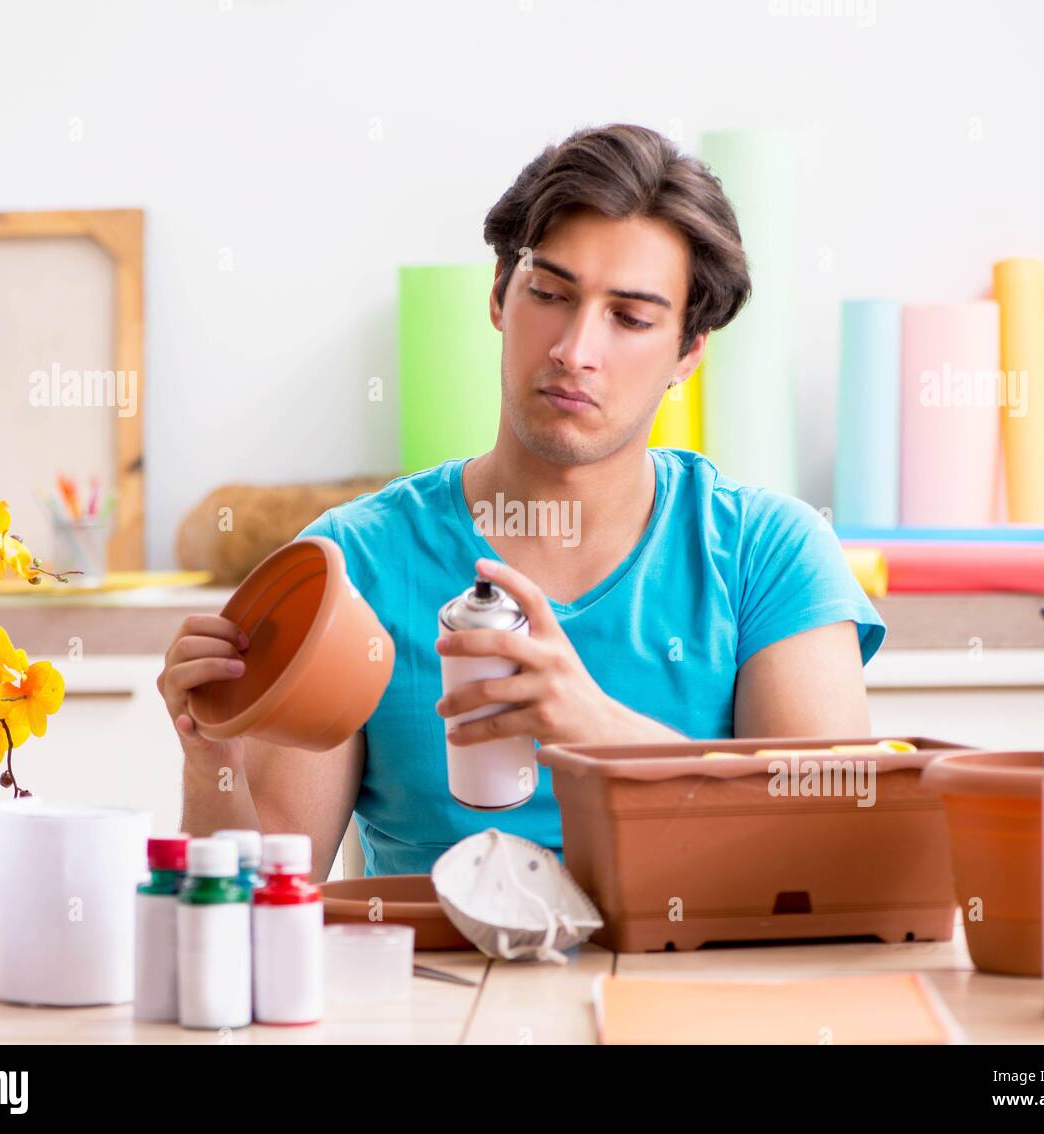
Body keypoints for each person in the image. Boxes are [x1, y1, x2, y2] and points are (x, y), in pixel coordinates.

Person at [160, 123, 886, 880]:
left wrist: (601, 731)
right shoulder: (356, 564)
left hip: (686, 989)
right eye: (550, 293)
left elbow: (831, 856)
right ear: (500, 294)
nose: (575, 349)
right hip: (430, 992)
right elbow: (265, 892)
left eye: (631, 318)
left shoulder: (769, 554)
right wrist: (212, 758)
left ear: (688, 352)